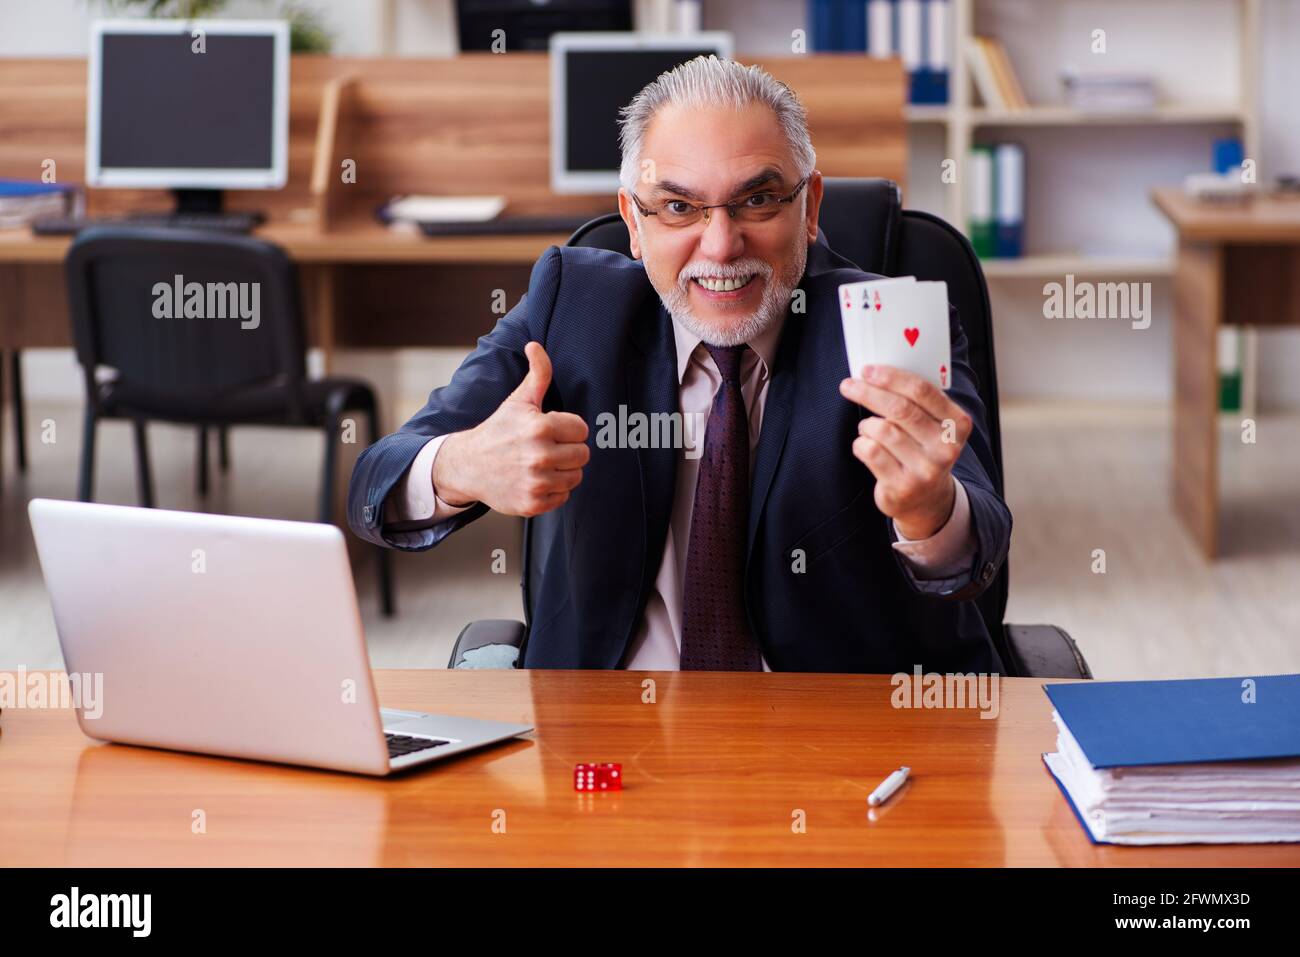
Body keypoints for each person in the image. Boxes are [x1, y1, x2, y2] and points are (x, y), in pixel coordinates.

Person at [348, 55, 1011, 672]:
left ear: (810, 207)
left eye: (758, 199)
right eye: (678, 207)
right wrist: (463, 464)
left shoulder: (885, 322)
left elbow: (978, 540)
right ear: (632, 223)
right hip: (606, 730)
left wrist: (929, 511)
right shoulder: (570, 306)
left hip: (832, 741)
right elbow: (376, 480)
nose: (720, 247)